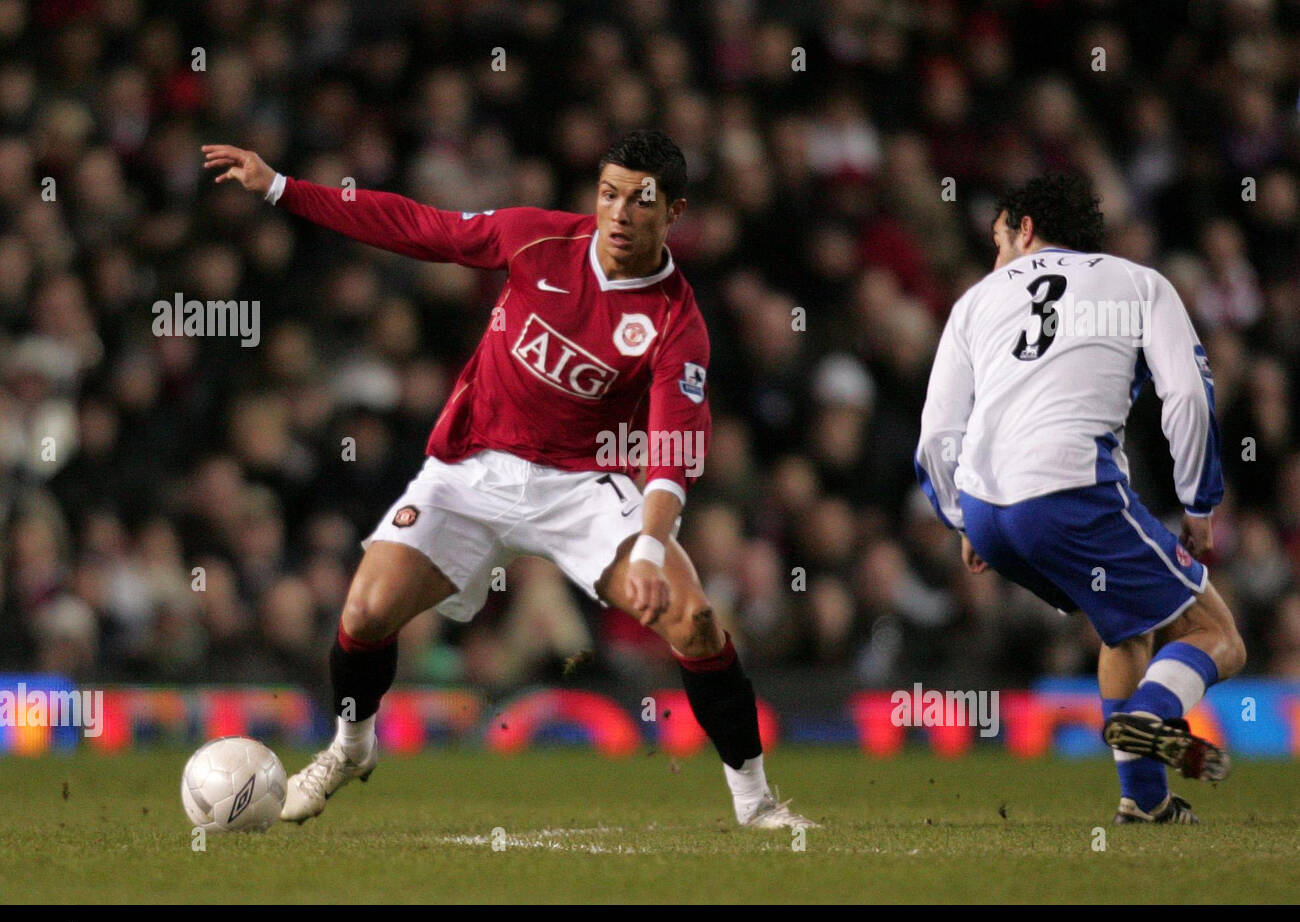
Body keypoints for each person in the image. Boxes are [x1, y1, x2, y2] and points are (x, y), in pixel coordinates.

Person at [202, 130, 816, 829]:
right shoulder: (534, 240)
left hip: (585, 486)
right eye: (608, 193)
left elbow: (675, 444)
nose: (619, 213)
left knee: (695, 620)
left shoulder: (677, 319)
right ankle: (349, 749)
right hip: (473, 467)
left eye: (640, 202)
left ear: (674, 212)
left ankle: (756, 802)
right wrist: (282, 187)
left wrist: (650, 546)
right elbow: (415, 225)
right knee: (365, 614)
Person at [915, 173, 1246, 824]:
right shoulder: (1139, 285)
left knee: (1125, 631)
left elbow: (937, 432)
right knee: (1219, 635)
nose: (996, 255)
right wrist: (1199, 503)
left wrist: (961, 517)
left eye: (998, 239)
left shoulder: (975, 303)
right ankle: (1147, 721)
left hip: (987, 509)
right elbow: (1187, 396)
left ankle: (1145, 802)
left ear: (1026, 228)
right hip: (1069, 492)